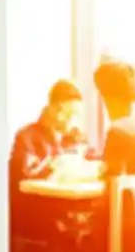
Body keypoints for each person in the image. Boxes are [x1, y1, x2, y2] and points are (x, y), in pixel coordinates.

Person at [9, 79, 85, 241]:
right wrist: (54, 165)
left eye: (75, 115)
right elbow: (25, 174)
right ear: (52, 107)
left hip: (67, 210)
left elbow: (91, 162)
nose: (72, 120)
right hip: (37, 212)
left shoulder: (74, 138)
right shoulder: (27, 137)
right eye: (69, 114)